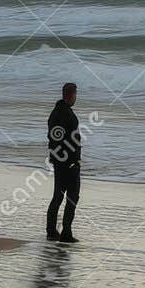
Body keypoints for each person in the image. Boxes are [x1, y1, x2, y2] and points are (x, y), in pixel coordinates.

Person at [46, 82, 81, 243]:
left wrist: (56, 156)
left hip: (59, 161)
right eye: (75, 95)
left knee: (58, 197)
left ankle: (51, 231)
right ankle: (66, 232)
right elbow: (63, 139)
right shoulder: (66, 114)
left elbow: (53, 138)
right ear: (72, 95)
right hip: (68, 162)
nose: (75, 98)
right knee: (72, 197)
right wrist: (71, 160)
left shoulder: (56, 112)